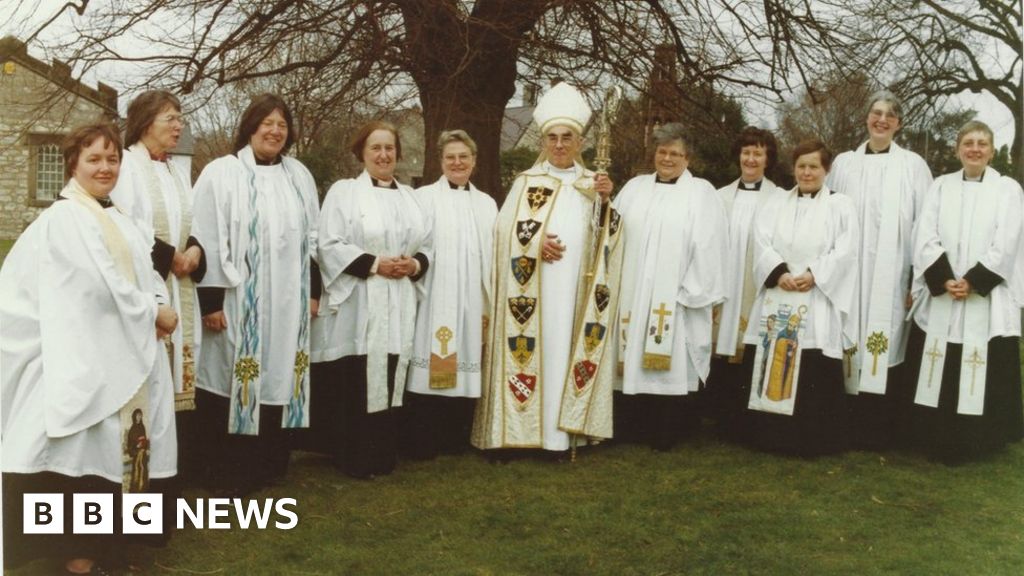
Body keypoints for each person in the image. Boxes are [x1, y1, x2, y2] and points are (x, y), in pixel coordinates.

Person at [2, 123, 179, 574]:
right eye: (94, 159)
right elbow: (95, 288)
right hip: (83, 356)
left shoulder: (115, 215)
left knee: (115, 456)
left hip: (120, 350)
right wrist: (152, 313)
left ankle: (111, 550)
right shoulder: (67, 217)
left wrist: (159, 300)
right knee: (82, 462)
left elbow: (145, 273)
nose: (105, 167)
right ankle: (79, 560)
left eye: (113, 158)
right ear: (73, 164)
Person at [472, 82, 621, 455]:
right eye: (552, 137)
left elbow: (611, 237)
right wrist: (535, 245)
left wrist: (606, 203)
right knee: (534, 352)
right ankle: (520, 435)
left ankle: (564, 435)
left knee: (565, 353)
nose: (559, 144)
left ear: (580, 141)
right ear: (543, 141)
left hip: (574, 291)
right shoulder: (526, 183)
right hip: (532, 289)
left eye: (567, 137)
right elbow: (503, 232)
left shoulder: (593, 184)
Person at [190, 94, 320, 493]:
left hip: (287, 303)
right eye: (267, 123)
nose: (275, 130)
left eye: (282, 124)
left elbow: (314, 239)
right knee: (234, 377)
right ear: (250, 127)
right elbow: (205, 236)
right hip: (237, 300)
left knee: (279, 375)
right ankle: (230, 470)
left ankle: (270, 461)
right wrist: (210, 302)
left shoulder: (299, 175)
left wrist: (313, 292)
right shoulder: (221, 173)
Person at [309, 120, 430, 478]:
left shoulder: (411, 196)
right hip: (360, 299)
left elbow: (427, 245)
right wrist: (376, 264)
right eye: (375, 148)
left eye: (389, 148)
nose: (383, 154)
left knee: (391, 369)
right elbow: (328, 243)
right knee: (358, 375)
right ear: (361, 153)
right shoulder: (344, 192)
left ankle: (384, 452)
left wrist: (413, 264)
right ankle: (353, 455)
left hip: (399, 300)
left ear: (398, 154)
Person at [904, 120, 1023, 463]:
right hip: (945, 291)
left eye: (982, 143)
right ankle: (930, 433)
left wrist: (973, 280)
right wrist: (943, 278)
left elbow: (1008, 241)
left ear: (991, 150)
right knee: (938, 355)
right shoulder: (940, 187)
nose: (974, 149)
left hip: (986, 294)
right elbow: (924, 234)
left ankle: (981, 439)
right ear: (958, 149)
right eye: (968, 142)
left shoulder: (1007, 189)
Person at [827, 91, 933, 449]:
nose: (881, 120)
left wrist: (916, 279)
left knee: (882, 344)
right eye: (876, 112)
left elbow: (925, 226)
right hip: (850, 275)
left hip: (891, 275)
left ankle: (879, 429)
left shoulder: (913, 166)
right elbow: (829, 217)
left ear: (899, 123)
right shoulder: (843, 164)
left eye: (889, 115)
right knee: (848, 337)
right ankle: (843, 423)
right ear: (867, 117)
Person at [612, 122, 728, 451]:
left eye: (675, 153)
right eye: (662, 151)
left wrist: (690, 293)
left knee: (673, 363)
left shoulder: (702, 192)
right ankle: (631, 427)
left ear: (687, 158)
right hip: (633, 294)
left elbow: (709, 245)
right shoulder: (634, 188)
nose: (667, 158)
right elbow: (613, 231)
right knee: (630, 360)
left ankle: (667, 432)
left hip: (675, 298)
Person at [739, 139, 859, 456]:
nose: (807, 172)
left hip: (815, 296)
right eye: (801, 166)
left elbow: (846, 251)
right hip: (780, 294)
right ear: (793, 168)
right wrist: (779, 273)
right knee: (774, 357)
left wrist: (814, 274)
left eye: (814, 166)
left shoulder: (840, 205)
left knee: (811, 363)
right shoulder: (777, 203)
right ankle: (770, 437)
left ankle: (812, 439)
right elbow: (761, 241)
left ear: (826, 169)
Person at [111, 89, 206, 477]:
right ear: (147, 121)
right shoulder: (126, 166)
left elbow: (192, 221)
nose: (178, 124)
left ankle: (170, 473)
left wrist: (196, 250)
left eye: (180, 117)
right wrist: (172, 257)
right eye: (171, 118)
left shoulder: (174, 169)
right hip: (149, 291)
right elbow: (123, 228)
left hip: (181, 289)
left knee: (174, 391)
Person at [404, 130, 497, 459]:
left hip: (472, 299)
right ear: (440, 162)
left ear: (474, 161)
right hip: (434, 296)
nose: (457, 163)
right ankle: (425, 440)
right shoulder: (423, 198)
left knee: (466, 364)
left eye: (464, 157)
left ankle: (457, 437)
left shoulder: (486, 204)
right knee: (431, 362)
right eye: (450, 157)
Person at [706, 126, 781, 440]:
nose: (751, 159)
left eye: (758, 153)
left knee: (749, 346)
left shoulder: (779, 199)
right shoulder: (718, 197)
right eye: (747, 152)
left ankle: (745, 419)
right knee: (720, 343)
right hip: (725, 281)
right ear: (739, 156)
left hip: (756, 285)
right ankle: (716, 416)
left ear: (768, 159)